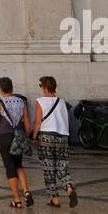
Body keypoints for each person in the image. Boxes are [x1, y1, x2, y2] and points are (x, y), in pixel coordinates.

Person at [0, 77, 33, 209]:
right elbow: (27, 122)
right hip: (19, 135)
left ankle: (17, 200)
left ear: (1, 89)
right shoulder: (21, 101)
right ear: (12, 87)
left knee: (9, 167)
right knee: (19, 165)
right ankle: (26, 191)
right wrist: (27, 136)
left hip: (5, 137)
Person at [32, 75, 77, 207]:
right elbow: (66, 121)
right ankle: (69, 189)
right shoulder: (62, 102)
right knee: (62, 167)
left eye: (41, 86)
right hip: (62, 137)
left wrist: (34, 137)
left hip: (46, 137)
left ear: (45, 87)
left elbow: (37, 121)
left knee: (49, 169)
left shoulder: (40, 101)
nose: (41, 89)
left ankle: (54, 199)